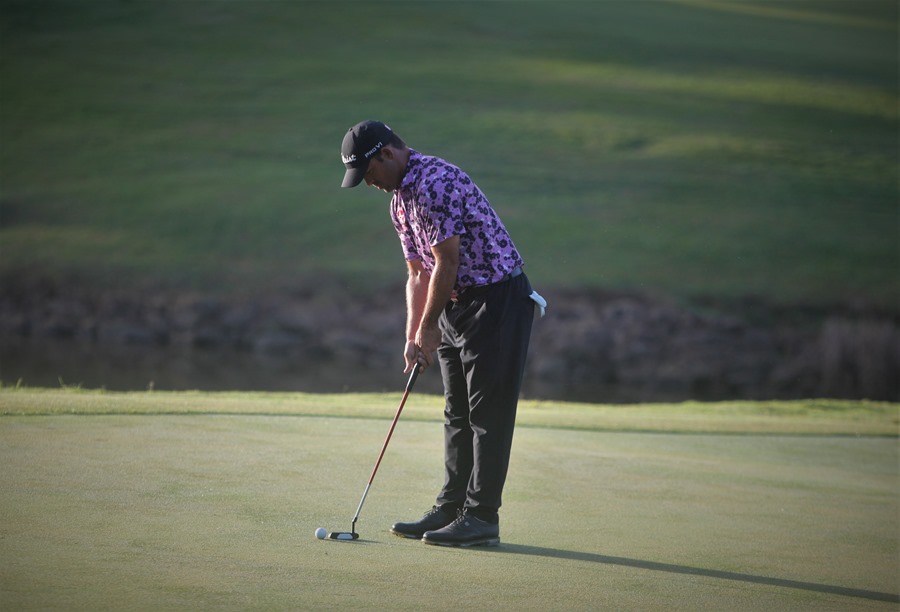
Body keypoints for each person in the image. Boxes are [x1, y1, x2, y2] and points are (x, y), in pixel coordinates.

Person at [340, 120, 544, 547]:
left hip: (496, 299)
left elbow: (446, 262)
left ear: (387, 155)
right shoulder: (398, 201)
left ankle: (482, 517)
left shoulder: (434, 182)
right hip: (452, 303)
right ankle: (451, 508)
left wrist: (430, 327)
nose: (369, 183)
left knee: (488, 415)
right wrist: (415, 335)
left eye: (370, 173)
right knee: (458, 413)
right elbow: (418, 272)